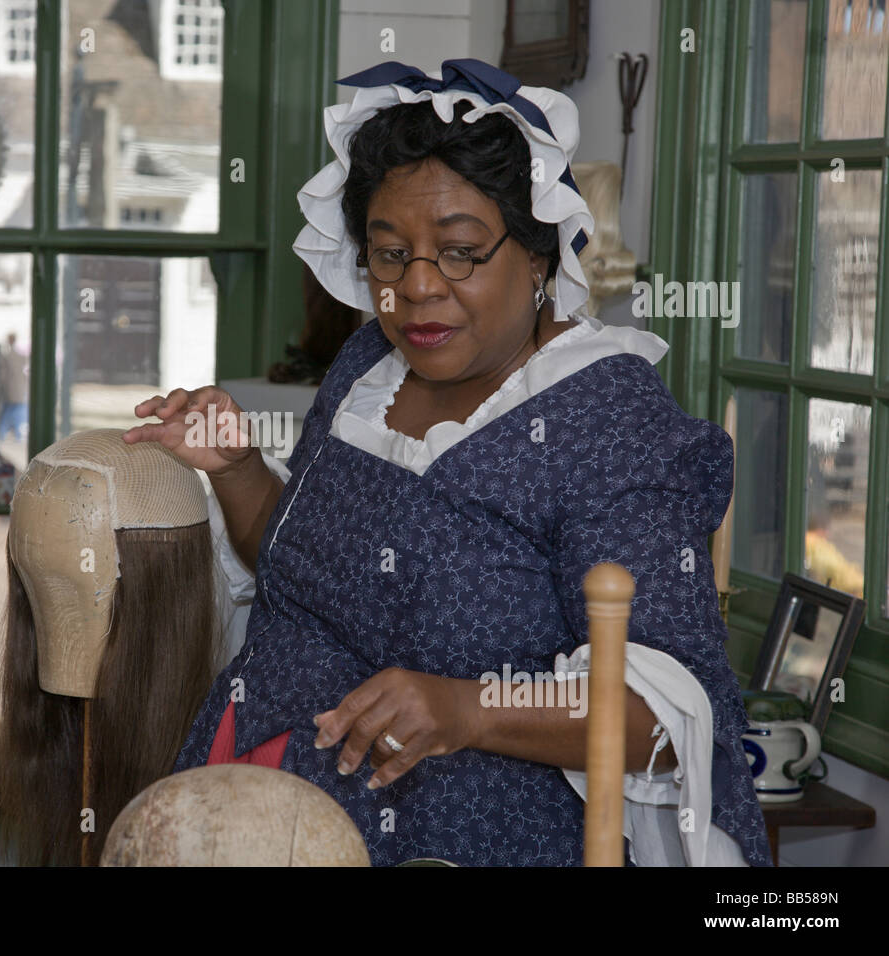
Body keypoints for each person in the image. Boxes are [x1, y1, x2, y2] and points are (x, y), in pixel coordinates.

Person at [123, 58, 772, 866]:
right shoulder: (369, 365)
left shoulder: (607, 421)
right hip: (252, 788)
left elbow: (668, 724)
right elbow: (303, 576)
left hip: (456, 835)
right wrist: (235, 470)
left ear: (538, 258)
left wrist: (469, 709)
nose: (416, 289)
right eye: (388, 255)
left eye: (460, 252)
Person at [0, 333, 29, 442]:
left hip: (10, 389)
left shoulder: (8, 356)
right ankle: (17, 434)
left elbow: (3, 376)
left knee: (8, 412)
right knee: (17, 412)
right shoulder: (20, 356)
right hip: (18, 389)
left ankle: (5, 434)